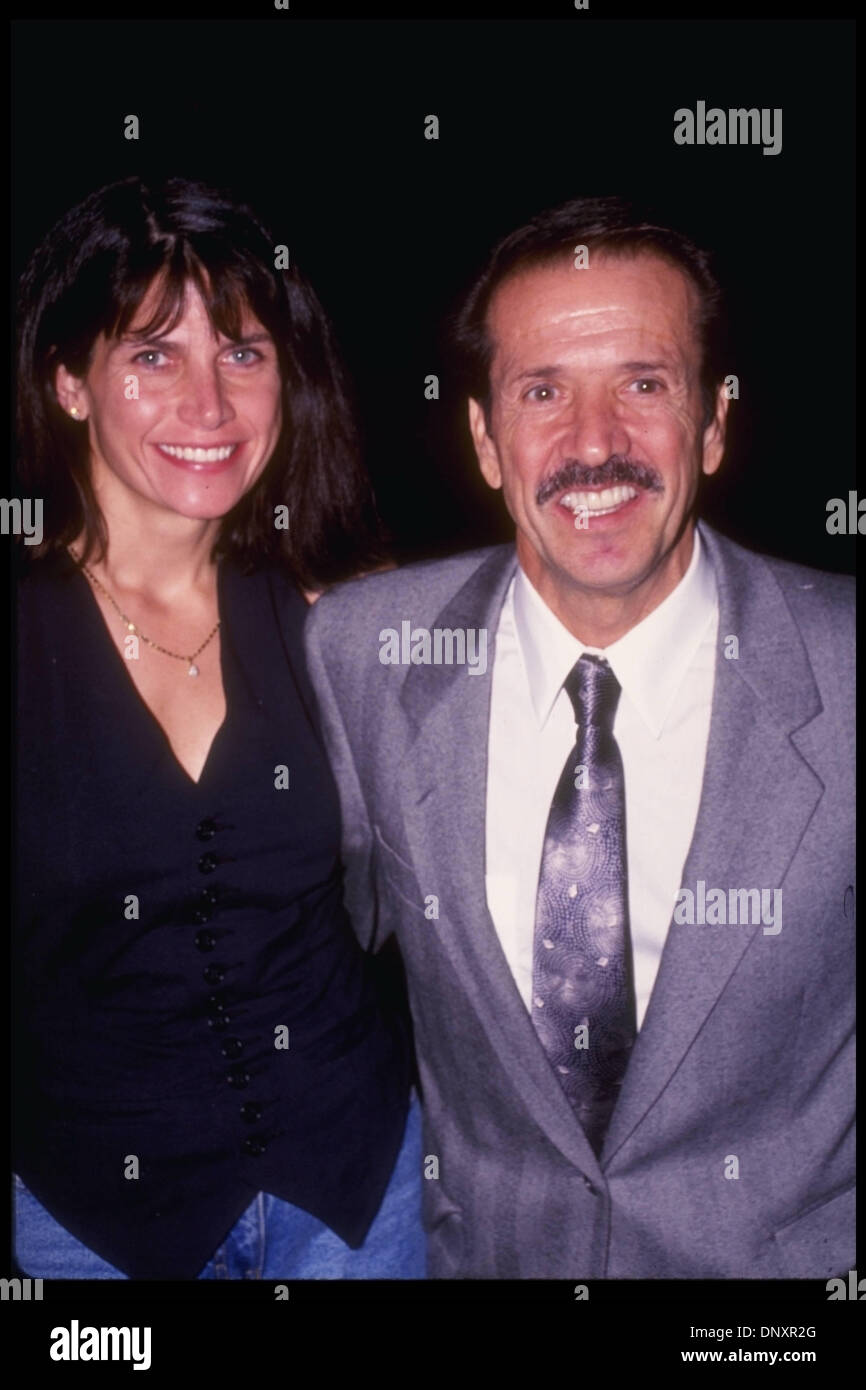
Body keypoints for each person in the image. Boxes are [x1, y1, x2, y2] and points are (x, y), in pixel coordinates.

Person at [304, 196, 855, 1279]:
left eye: (642, 385)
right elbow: (302, 958)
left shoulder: (844, 668)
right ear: (484, 439)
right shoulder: (364, 653)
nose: (592, 443)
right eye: (541, 391)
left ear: (710, 420)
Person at [13, 175, 423, 1281]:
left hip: (355, 1190)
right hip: (89, 1218)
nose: (209, 403)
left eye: (242, 353)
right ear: (68, 383)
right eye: (153, 354)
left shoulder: (338, 616)